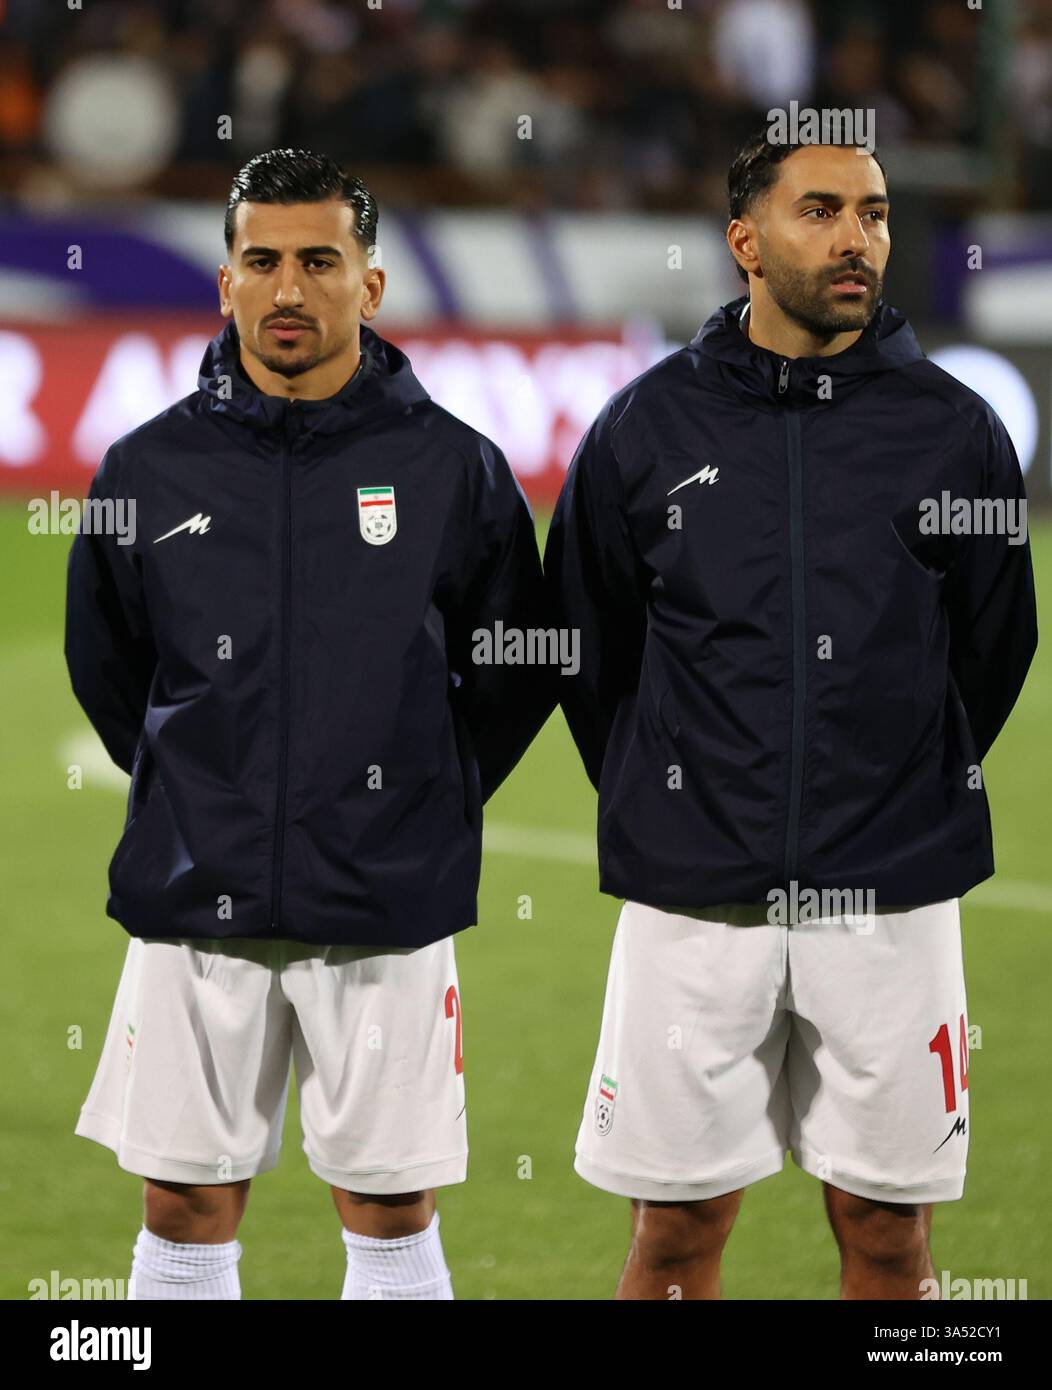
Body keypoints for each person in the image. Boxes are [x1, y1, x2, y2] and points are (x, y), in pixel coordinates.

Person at [544, 128, 1038, 1300]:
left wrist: (896, 777)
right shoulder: (643, 428)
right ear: (743, 241)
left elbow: (992, 648)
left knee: (886, 1236)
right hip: (691, 893)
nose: (854, 236)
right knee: (672, 1234)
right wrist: (672, 787)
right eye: (818, 210)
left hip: (890, 893)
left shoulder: (953, 431)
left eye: (868, 212)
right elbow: (586, 649)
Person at [65, 148, 553, 1301]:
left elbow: (512, 670)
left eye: (319, 261)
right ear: (225, 280)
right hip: (198, 888)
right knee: (184, 1196)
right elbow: (110, 669)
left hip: (382, 891)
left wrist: (412, 795)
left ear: (369, 285)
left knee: (389, 1200)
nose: (289, 289)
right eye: (262, 261)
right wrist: (207, 791)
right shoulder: (148, 466)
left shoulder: (452, 468)